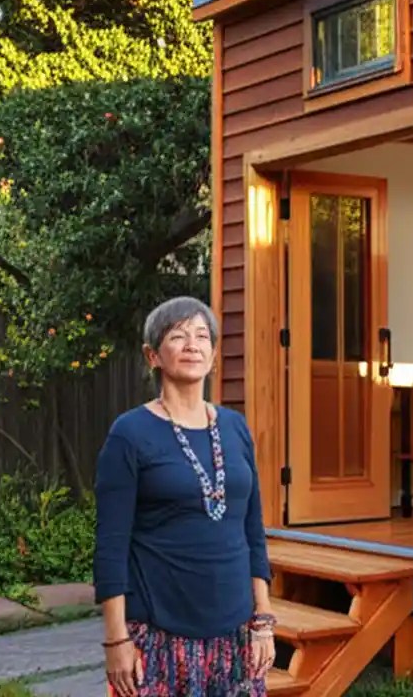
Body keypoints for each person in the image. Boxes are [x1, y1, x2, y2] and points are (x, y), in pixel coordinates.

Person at [93, 296, 276, 696]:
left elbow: (252, 530)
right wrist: (115, 640)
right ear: (153, 355)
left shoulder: (235, 427)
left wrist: (262, 619)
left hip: (236, 635)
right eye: (178, 336)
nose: (193, 344)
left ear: (212, 353)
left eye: (201, 335)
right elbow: (110, 546)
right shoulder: (130, 434)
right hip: (159, 636)